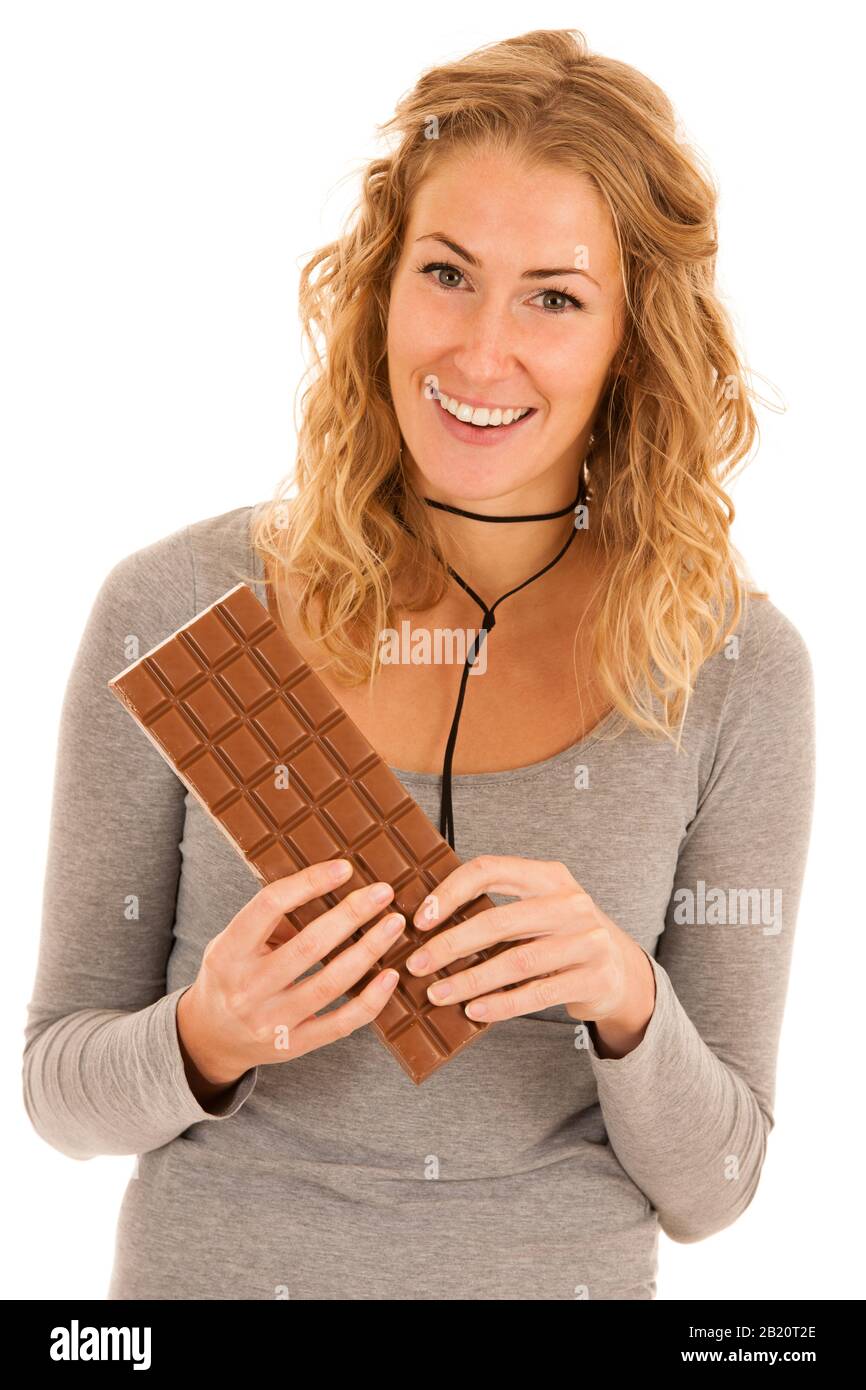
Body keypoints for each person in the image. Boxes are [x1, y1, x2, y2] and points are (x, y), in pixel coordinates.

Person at [23, 28, 815, 1300]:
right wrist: (206, 1034)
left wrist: (624, 998)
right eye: (446, 273)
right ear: (380, 286)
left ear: (631, 336)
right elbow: (59, 1095)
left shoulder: (727, 667)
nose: (479, 352)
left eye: (552, 296)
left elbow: (716, 1188)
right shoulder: (183, 610)